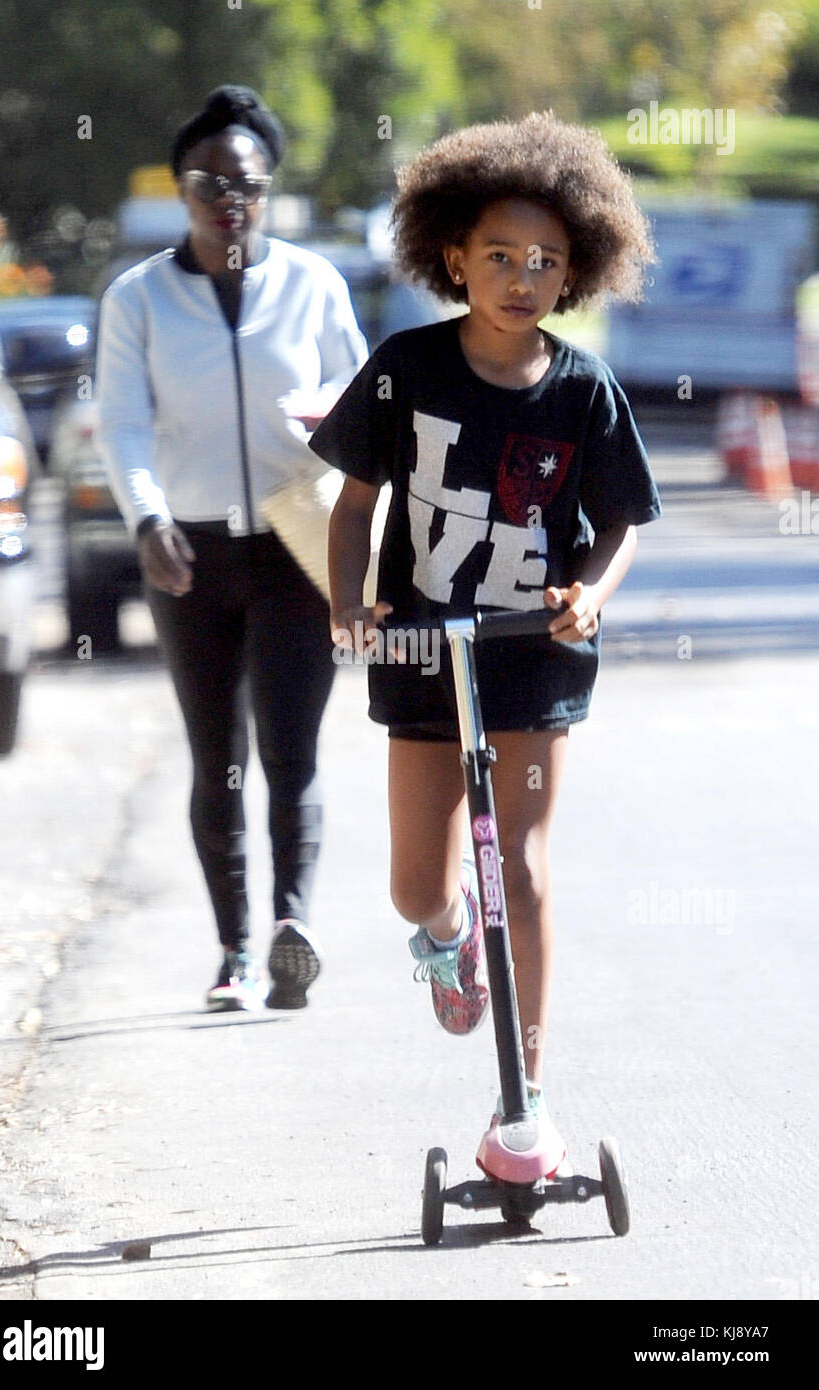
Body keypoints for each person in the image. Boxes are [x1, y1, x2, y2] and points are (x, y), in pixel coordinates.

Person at [311, 112, 661, 1172]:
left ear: (575, 272)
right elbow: (350, 506)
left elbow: (618, 525)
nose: (521, 275)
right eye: (500, 255)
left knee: (525, 863)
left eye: (545, 260)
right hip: (425, 649)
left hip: (531, 650)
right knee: (418, 883)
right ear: (451, 256)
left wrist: (589, 595)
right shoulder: (403, 367)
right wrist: (350, 604)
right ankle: (444, 939)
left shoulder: (582, 389)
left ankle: (529, 1100)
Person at [96, 85, 367, 1012]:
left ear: (269, 190)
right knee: (217, 755)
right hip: (190, 553)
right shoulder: (138, 298)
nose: (228, 199)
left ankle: (293, 928)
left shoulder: (314, 284)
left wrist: (335, 440)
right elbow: (124, 424)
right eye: (209, 182)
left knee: (292, 749)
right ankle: (232, 953)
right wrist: (144, 518)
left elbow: (358, 401)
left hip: (298, 541)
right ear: (181, 189)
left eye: (246, 183)